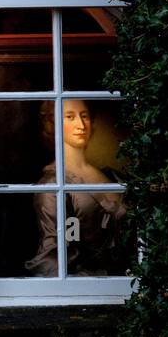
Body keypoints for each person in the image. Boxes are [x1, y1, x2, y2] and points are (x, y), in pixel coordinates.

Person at [26, 99, 128, 277]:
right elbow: (52, 256)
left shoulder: (112, 176)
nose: (80, 125)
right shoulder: (52, 185)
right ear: (52, 123)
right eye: (69, 117)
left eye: (84, 116)